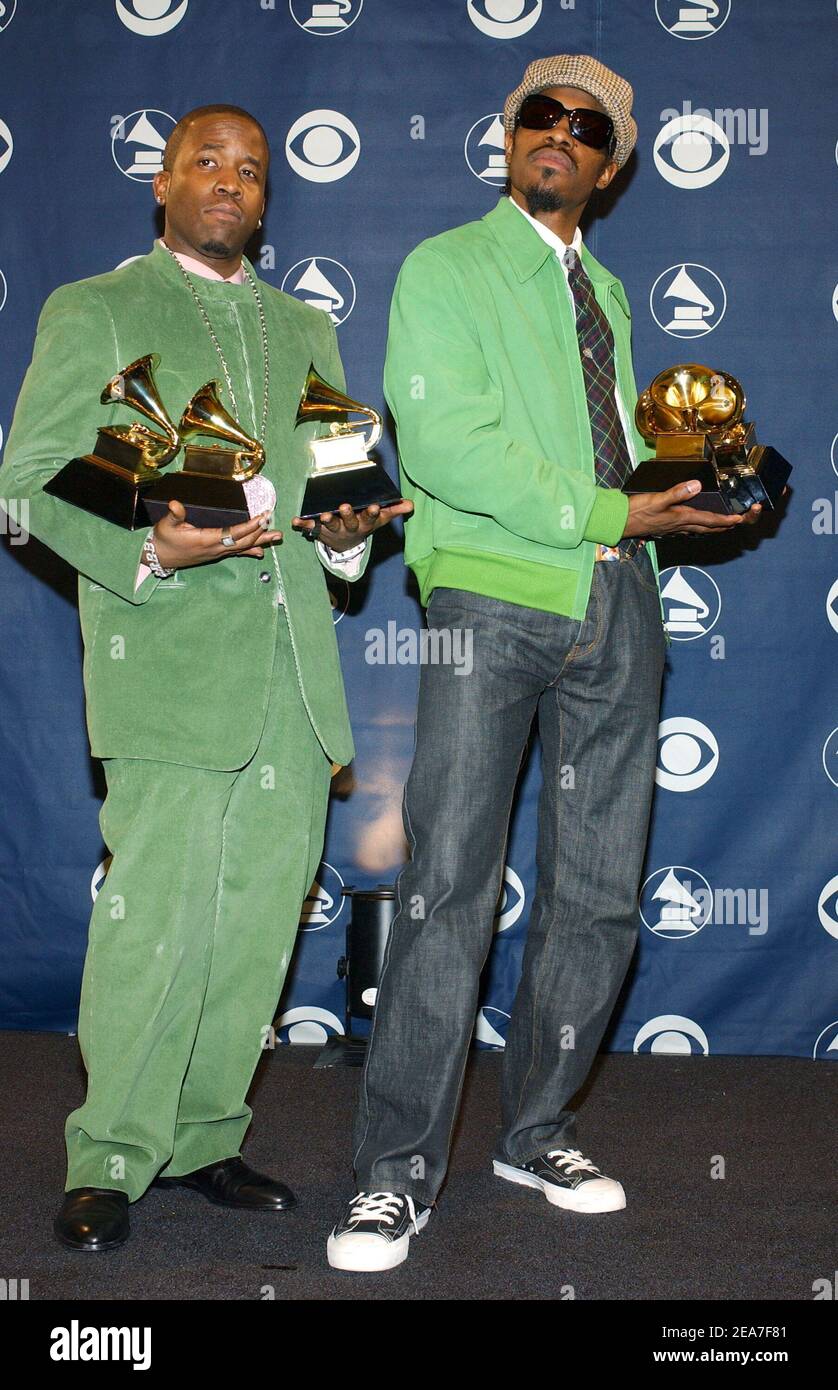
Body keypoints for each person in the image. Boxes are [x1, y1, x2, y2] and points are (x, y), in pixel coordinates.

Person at [327, 55, 765, 1272]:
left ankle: (536, 1126)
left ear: (611, 166)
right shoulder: (447, 267)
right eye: (541, 115)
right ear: (509, 135)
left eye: (588, 128)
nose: (560, 136)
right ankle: (393, 1173)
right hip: (493, 595)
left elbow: (616, 457)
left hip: (616, 601)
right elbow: (452, 448)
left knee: (600, 888)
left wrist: (675, 509)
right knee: (449, 884)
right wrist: (616, 517)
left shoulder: (611, 295)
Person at [0, 103, 410, 1252]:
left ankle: (205, 1137)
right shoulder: (97, 307)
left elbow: (339, 492)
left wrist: (352, 530)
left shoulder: (307, 326)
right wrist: (147, 540)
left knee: (253, 922)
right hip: (168, 658)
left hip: (296, 678)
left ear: (268, 200)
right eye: (206, 163)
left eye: (250, 170)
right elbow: (28, 479)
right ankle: (112, 1153)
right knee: (155, 921)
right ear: (163, 183)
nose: (229, 182)